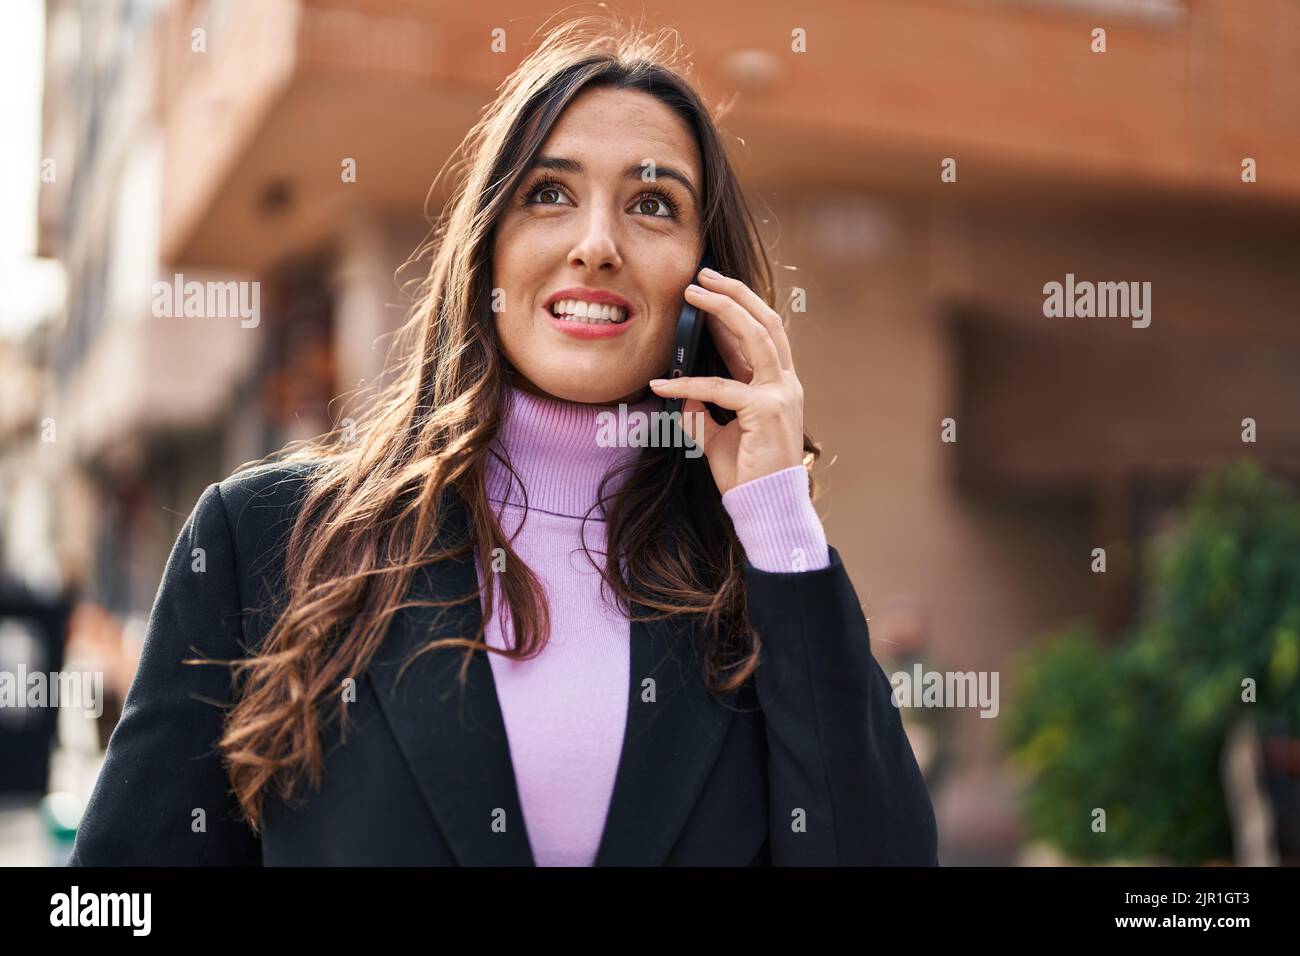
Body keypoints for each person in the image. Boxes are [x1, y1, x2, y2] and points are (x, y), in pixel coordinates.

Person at [68, 16, 937, 866]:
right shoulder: (263, 540)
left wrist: (778, 523)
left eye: (652, 204)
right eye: (549, 194)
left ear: (707, 283)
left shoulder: (756, 579)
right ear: (487, 248)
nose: (597, 245)